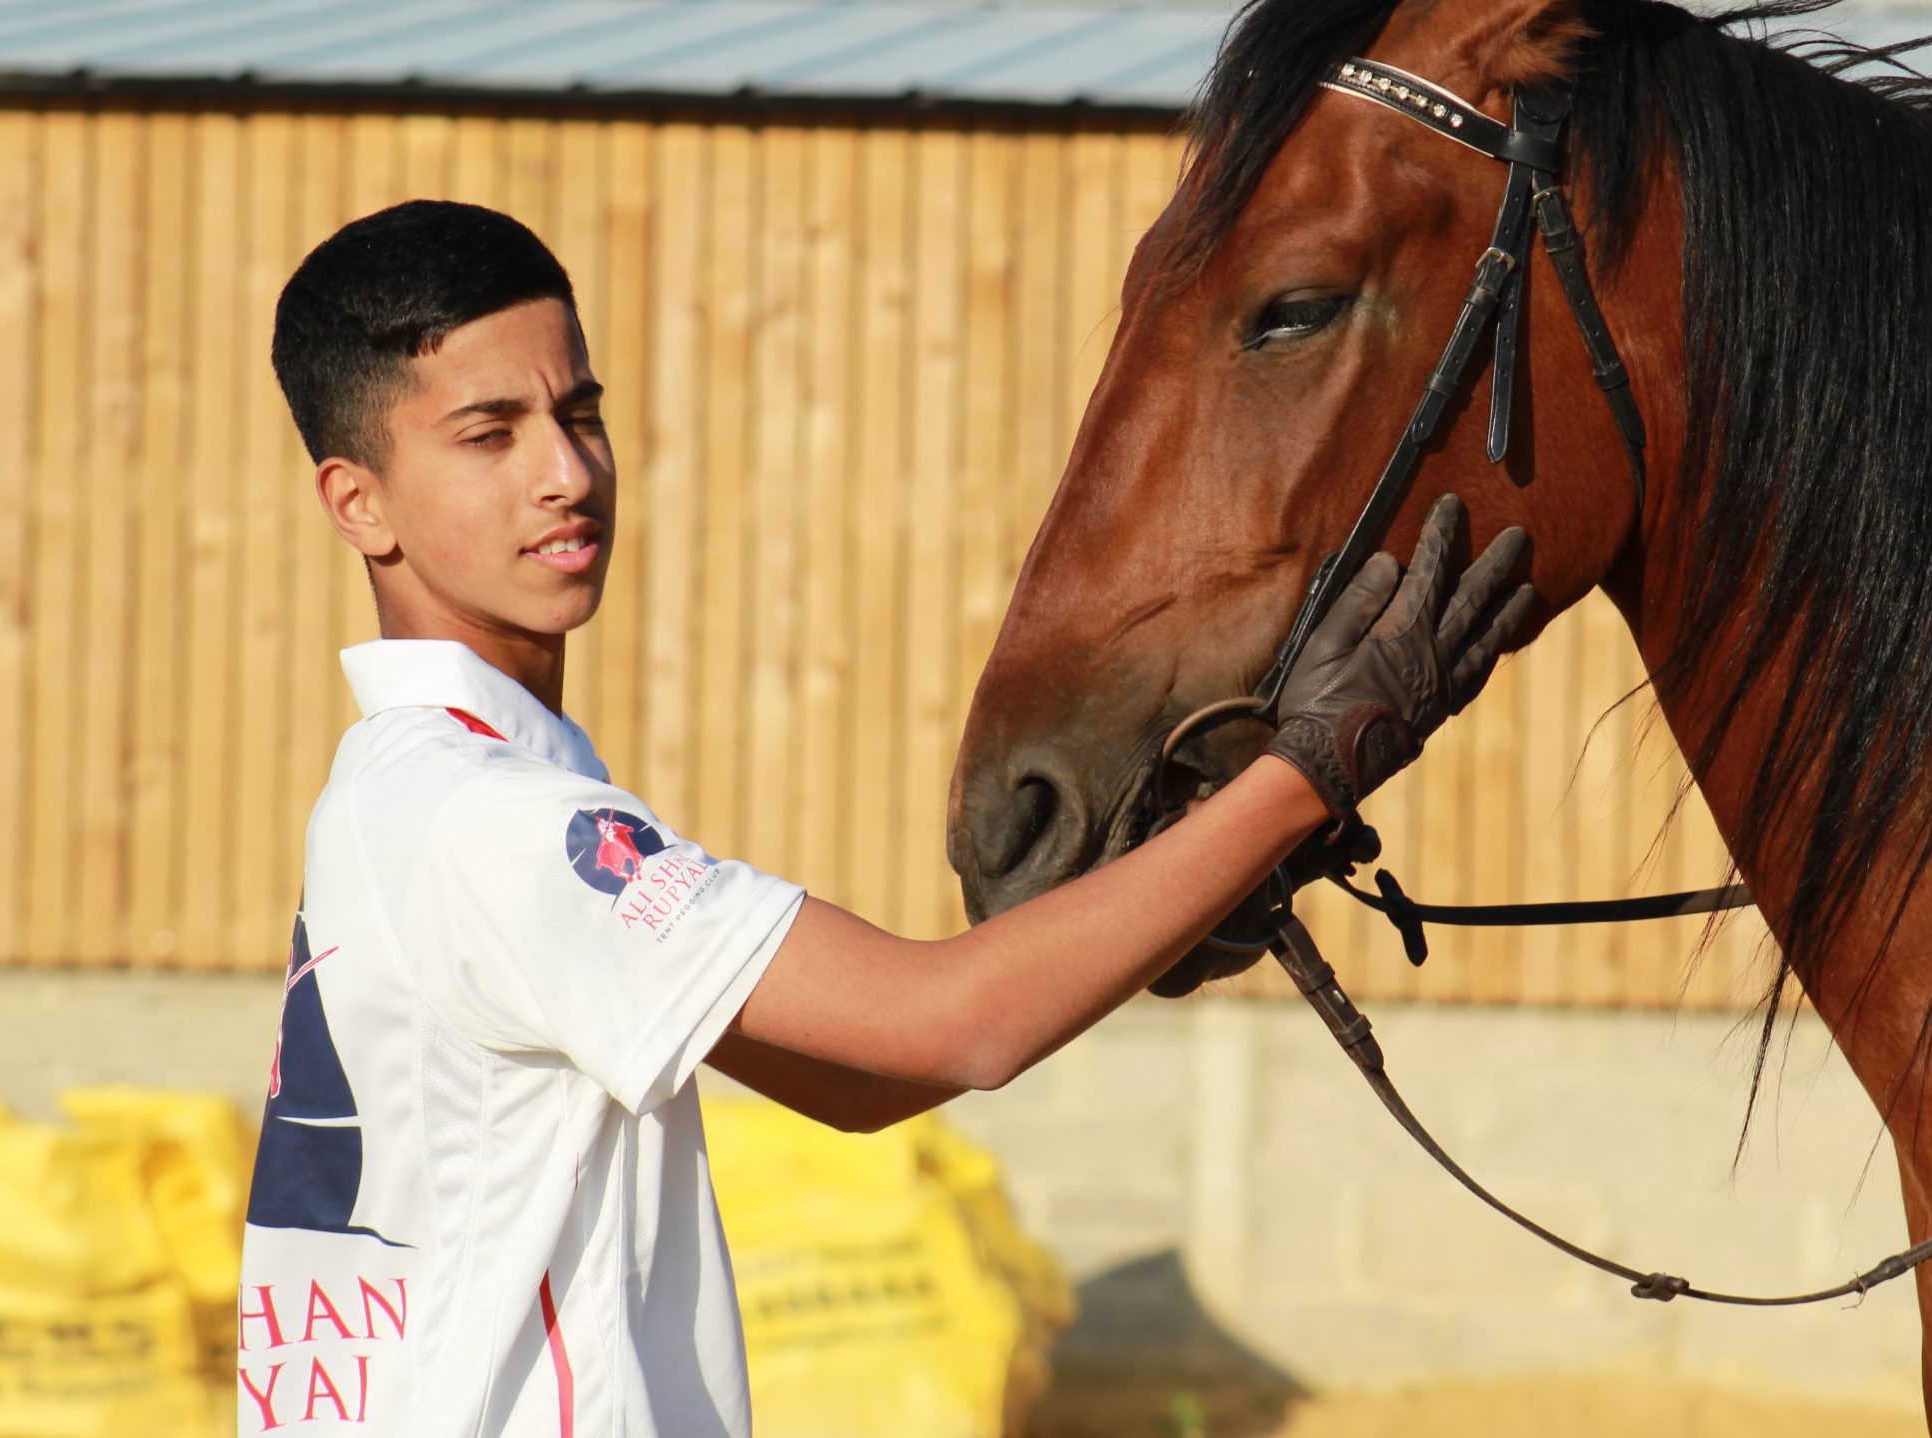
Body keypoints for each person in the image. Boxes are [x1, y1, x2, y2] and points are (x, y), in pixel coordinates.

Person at [236, 198, 1534, 1436]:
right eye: (490, 434)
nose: (566, 472)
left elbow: (866, 1082)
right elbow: (956, 1021)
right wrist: (1313, 768)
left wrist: (1216, 838)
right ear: (357, 502)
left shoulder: (408, 793)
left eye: (580, 412)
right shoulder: (495, 823)